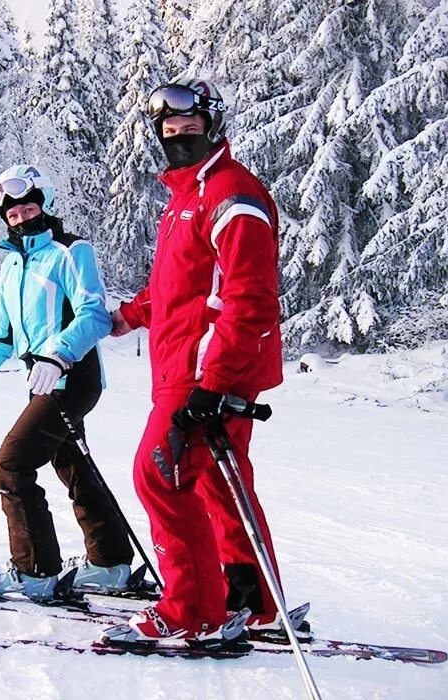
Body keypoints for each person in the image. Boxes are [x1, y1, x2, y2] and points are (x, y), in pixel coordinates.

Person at [106, 78, 286, 643]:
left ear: (213, 127)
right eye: (169, 131)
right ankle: (249, 601)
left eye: (190, 129)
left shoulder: (234, 195)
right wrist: (125, 316)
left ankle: (193, 611)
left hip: (206, 372)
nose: (179, 139)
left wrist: (214, 381)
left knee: (159, 476)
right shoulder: (185, 199)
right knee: (217, 486)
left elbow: (249, 299)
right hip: (188, 366)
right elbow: (175, 290)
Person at [0, 164, 134, 601]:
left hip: (73, 376)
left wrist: (58, 357)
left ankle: (34, 571)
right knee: (70, 463)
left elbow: (94, 315)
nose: (21, 217)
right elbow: (0, 337)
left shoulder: (71, 251)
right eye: (12, 214)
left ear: (45, 202)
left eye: (27, 207)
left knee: (12, 464)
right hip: (43, 380)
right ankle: (110, 562)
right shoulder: (10, 267)